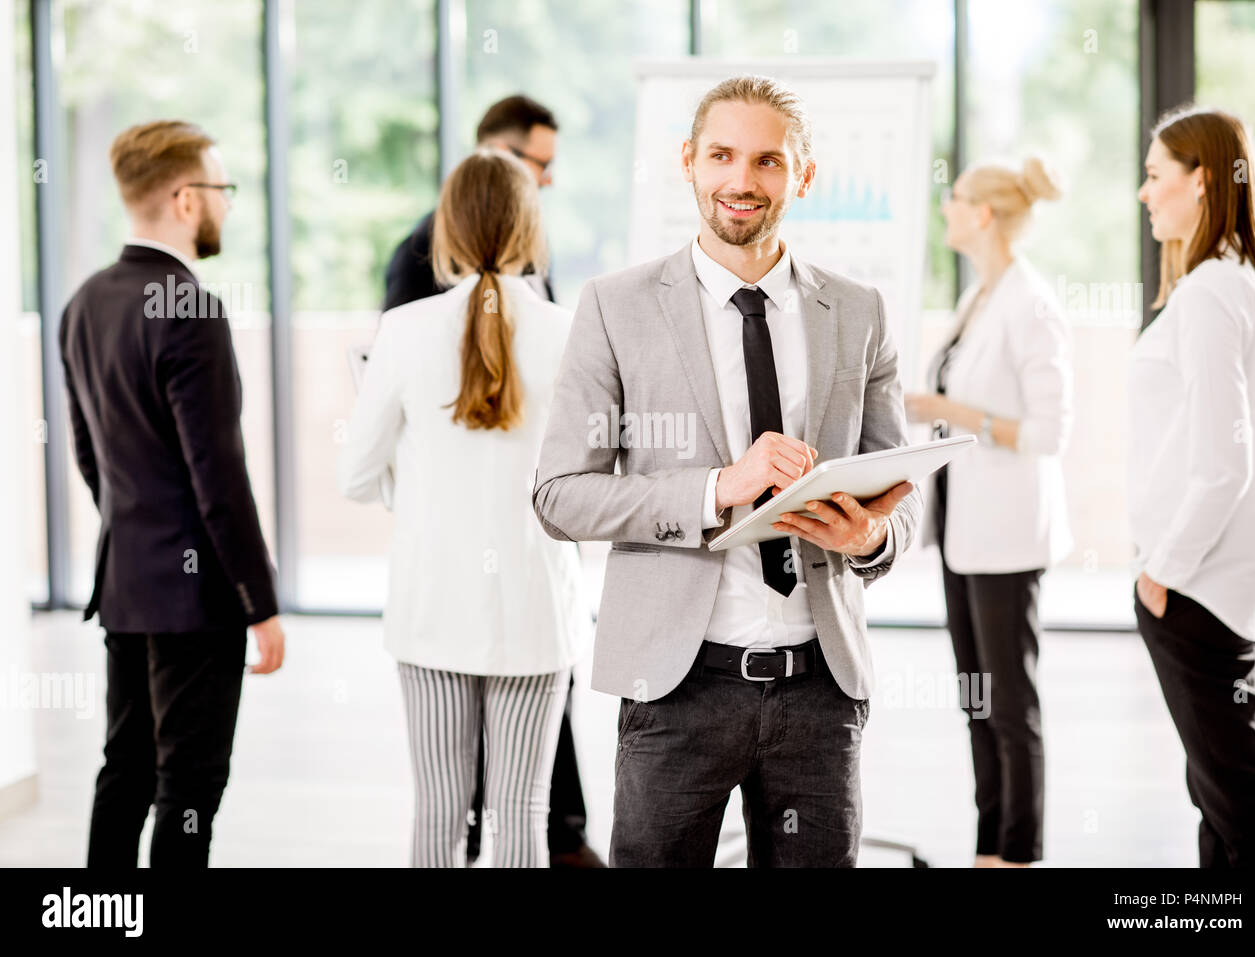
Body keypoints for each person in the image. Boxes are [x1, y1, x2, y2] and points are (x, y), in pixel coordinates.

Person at [533, 75, 921, 868]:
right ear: (689, 162)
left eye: (768, 162)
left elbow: (899, 493)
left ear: (803, 176)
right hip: (678, 691)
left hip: (822, 692)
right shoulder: (616, 306)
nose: (742, 181)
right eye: (722, 155)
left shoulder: (859, 311)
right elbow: (559, 495)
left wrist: (872, 534)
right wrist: (718, 488)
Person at [338, 150, 591, 867]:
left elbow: (355, 474)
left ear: (444, 229)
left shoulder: (404, 330)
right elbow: (592, 481)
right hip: (538, 608)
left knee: (439, 815)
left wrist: (416, 490)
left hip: (430, 610)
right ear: (531, 232)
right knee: (523, 815)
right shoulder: (570, 331)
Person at [59, 120, 285, 868]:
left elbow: (93, 458)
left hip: (126, 582)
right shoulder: (191, 310)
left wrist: (140, 534)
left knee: (122, 770)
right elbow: (218, 477)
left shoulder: (85, 302)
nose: (228, 204)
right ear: (186, 199)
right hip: (195, 604)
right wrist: (261, 602)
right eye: (223, 189)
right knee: (186, 792)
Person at [1131, 105, 1255, 866]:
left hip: (1198, 590)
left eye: (1156, 175)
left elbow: (1225, 460)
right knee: (1223, 803)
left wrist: (1162, 571)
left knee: (1243, 802)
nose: (1143, 193)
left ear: (1200, 182)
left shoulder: (1206, 295)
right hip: (1245, 588)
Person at [905, 157, 1072, 868]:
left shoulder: (1032, 302)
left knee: (1009, 704)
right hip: (962, 532)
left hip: (1007, 534)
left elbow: (1049, 431)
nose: (946, 206)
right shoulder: (981, 297)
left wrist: (949, 411)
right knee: (977, 699)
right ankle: (987, 850)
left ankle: (1018, 850)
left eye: (958, 198)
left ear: (986, 214)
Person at [382, 95, 558, 310]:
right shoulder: (419, 253)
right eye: (544, 164)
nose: (549, 180)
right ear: (502, 155)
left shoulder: (533, 240)